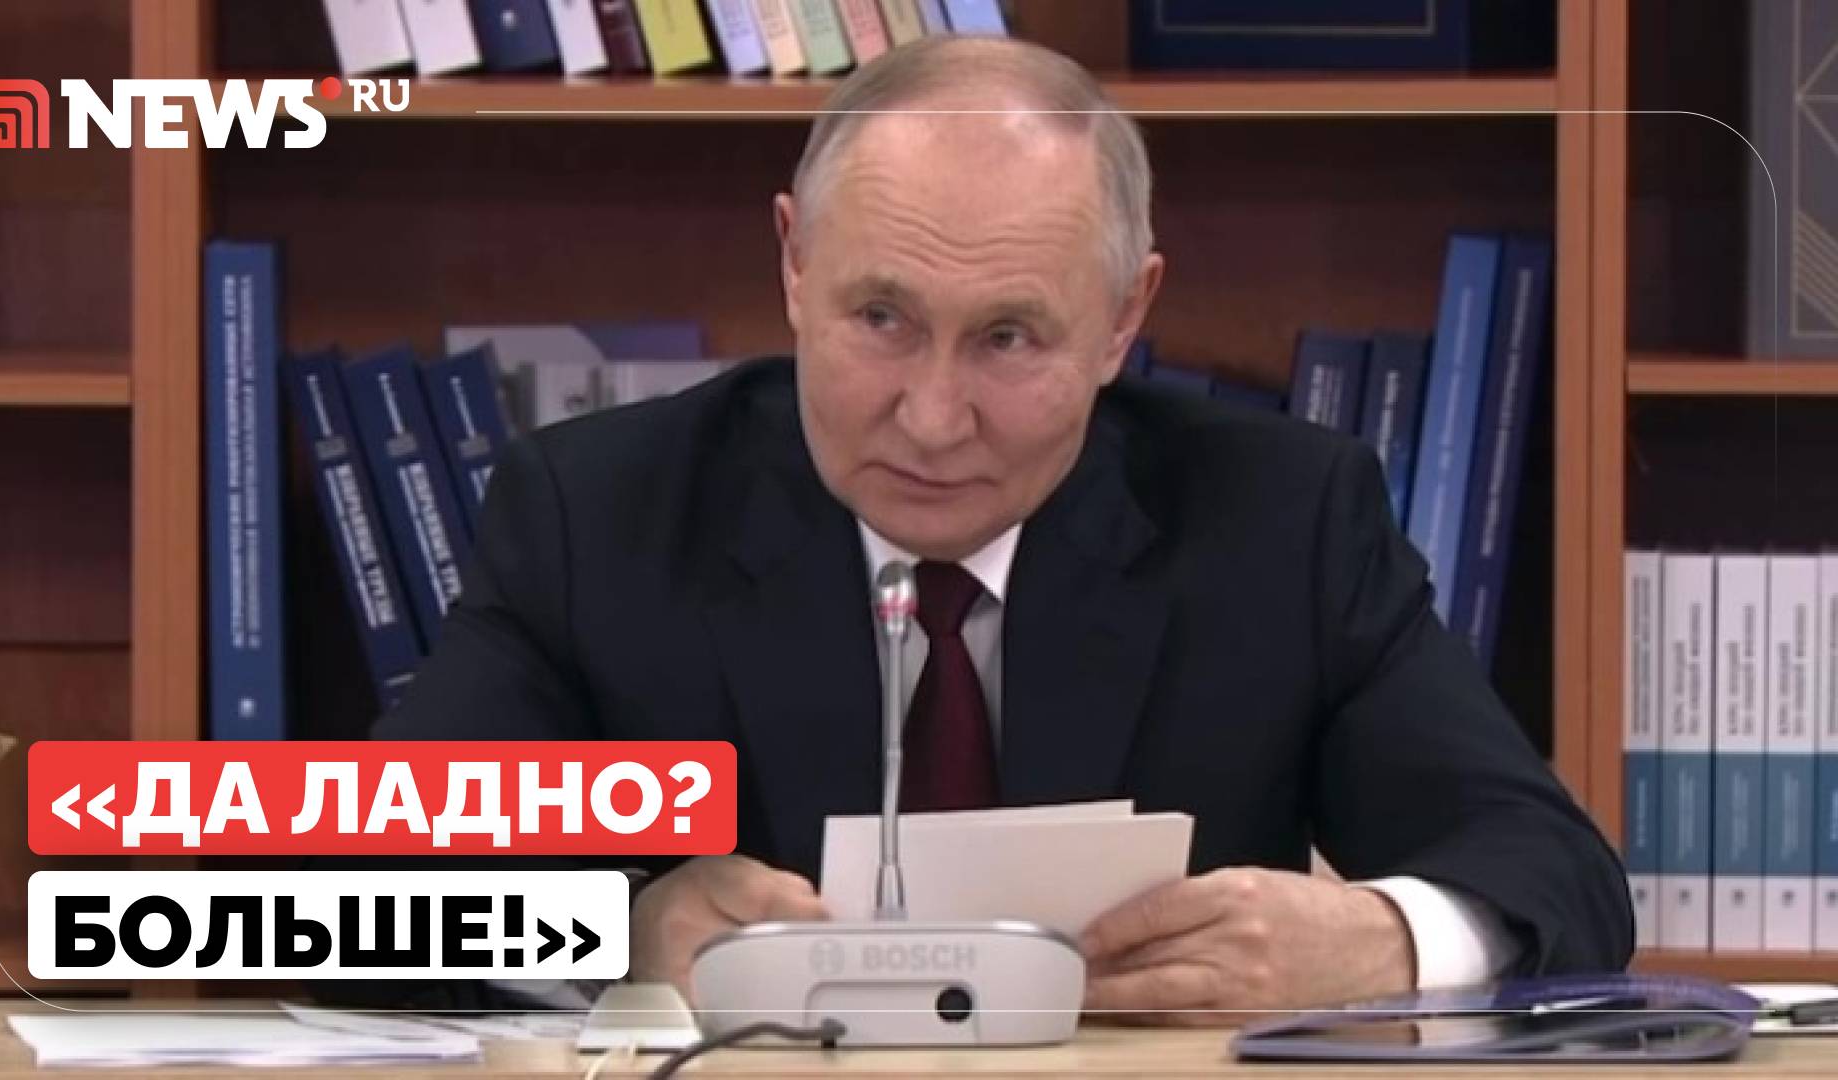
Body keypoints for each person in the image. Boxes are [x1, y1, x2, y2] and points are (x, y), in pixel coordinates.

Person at [376, 34, 1632, 1021]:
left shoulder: (1279, 522)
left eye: (1009, 338)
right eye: (881, 318)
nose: (933, 419)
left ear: (1123, 316)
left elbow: (1558, 875)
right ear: (796, 264)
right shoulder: (598, 516)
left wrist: (1381, 942)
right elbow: (345, 898)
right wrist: (618, 938)